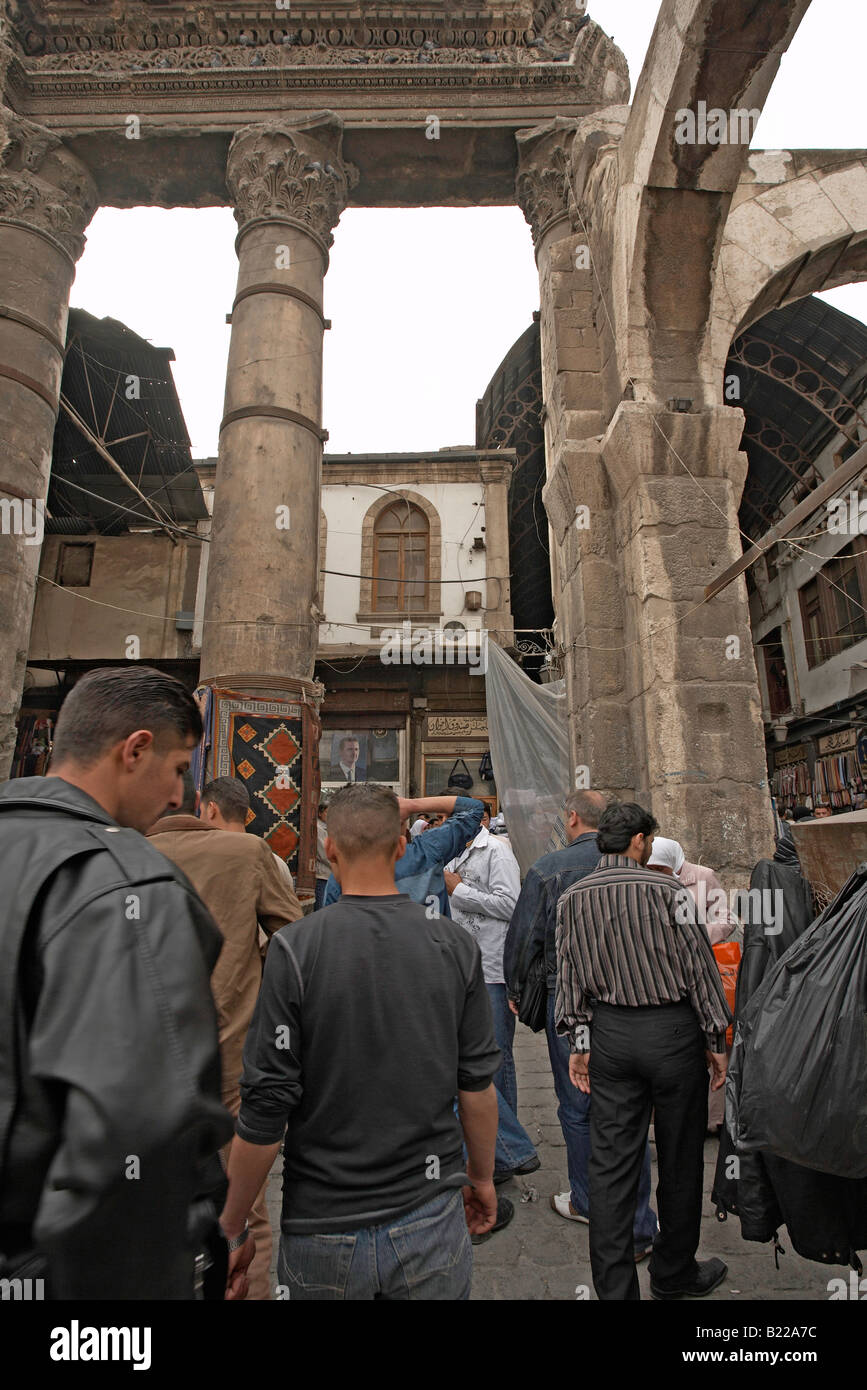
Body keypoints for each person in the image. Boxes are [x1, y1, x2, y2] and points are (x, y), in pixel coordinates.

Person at [0, 666, 233, 1299]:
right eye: (178, 769)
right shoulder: (125, 885)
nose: (180, 797)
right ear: (135, 750)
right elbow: (134, 1142)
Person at [219, 783, 502, 1300]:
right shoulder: (454, 944)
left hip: (322, 1220)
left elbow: (266, 1106)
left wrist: (234, 1223)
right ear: (401, 845)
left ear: (330, 850)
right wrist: (481, 1177)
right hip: (429, 1211)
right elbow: (476, 1086)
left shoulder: (295, 949)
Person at [556, 801, 731, 1301]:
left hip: (610, 1036)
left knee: (611, 1168)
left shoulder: (573, 899)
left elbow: (570, 983)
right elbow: (700, 971)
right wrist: (715, 1040)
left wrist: (580, 1045)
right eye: (649, 840)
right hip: (673, 1034)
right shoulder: (669, 891)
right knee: (680, 1158)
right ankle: (673, 1273)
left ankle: (615, 1291)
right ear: (638, 840)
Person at [147, 771, 302, 1300]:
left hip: (145, 1069)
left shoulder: (120, 856)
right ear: (201, 805)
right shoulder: (247, 852)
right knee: (243, 1208)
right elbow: (291, 941)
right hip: (231, 1054)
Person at [504, 790, 657, 1258]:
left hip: (568, 1000)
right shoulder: (637, 869)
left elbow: (524, 939)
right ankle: (638, 1219)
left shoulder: (549, 869)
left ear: (571, 818)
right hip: (630, 1001)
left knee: (577, 1104)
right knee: (627, 1109)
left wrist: (516, 991)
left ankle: (589, 1200)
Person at [445, 813, 540, 1186]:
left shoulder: (496, 853)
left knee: (495, 1058)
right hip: (459, 968)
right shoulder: (452, 854)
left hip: (491, 970)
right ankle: (483, 1147)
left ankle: (503, 1155)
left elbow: (511, 904)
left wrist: (459, 891)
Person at [647, 836, 739, 1133]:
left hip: (703, 969)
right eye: (651, 868)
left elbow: (727, 917)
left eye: (660, 869)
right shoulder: (645, 881)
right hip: (666, 973)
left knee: (713, 1042)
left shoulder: (703, 876)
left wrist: (697, 936)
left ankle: (713, 1120)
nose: (655, 873)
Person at [201, 774, 296, 891]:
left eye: (201, 811)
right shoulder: (277, 864)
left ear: (211, 810)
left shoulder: (203, 863)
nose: (200, 819)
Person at [314, 797, 331, 909]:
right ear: (320, 813)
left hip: (328, 874)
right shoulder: (318, 828)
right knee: (321, 908)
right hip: (322, 875)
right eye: (327, 812)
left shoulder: (328, 828)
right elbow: (323, 853)